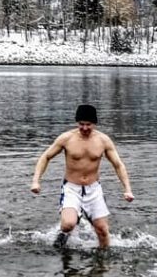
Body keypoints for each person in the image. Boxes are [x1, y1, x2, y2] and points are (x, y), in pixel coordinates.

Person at [30, 104, 134, 249]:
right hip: (72, 188)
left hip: (93, 189)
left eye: (88, 124)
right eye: (81, 124)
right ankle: (64, 233)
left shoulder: (103, 140)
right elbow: (45, 157)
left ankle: (102, 261)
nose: (85, 128)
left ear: (95, 123)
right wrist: (36, 181)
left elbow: (118, 164)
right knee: (68, 224)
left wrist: (127, 189)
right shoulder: (66, 138)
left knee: (102, 231)